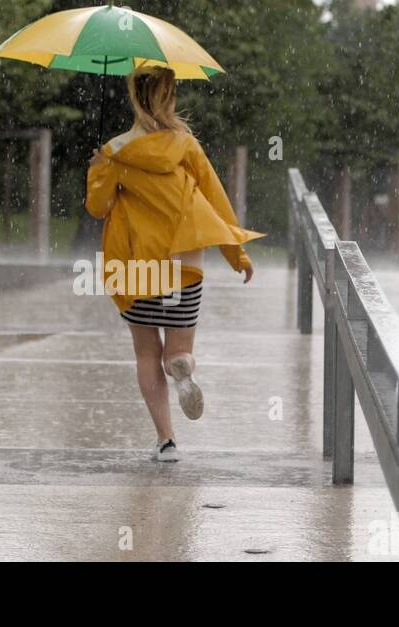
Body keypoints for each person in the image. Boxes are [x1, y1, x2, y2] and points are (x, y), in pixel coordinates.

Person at [85, 65, 265, 462]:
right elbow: (217, 200)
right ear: (170, 96)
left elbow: (98, 209)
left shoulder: (115, 150)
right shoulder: (186, 146)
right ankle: (182, 363)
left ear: (134, 96)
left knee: (145, 353)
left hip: (136, 266)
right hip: (183, 263)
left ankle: (166, 441)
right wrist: (238, 253)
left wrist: (99, 169)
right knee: (174, 350)